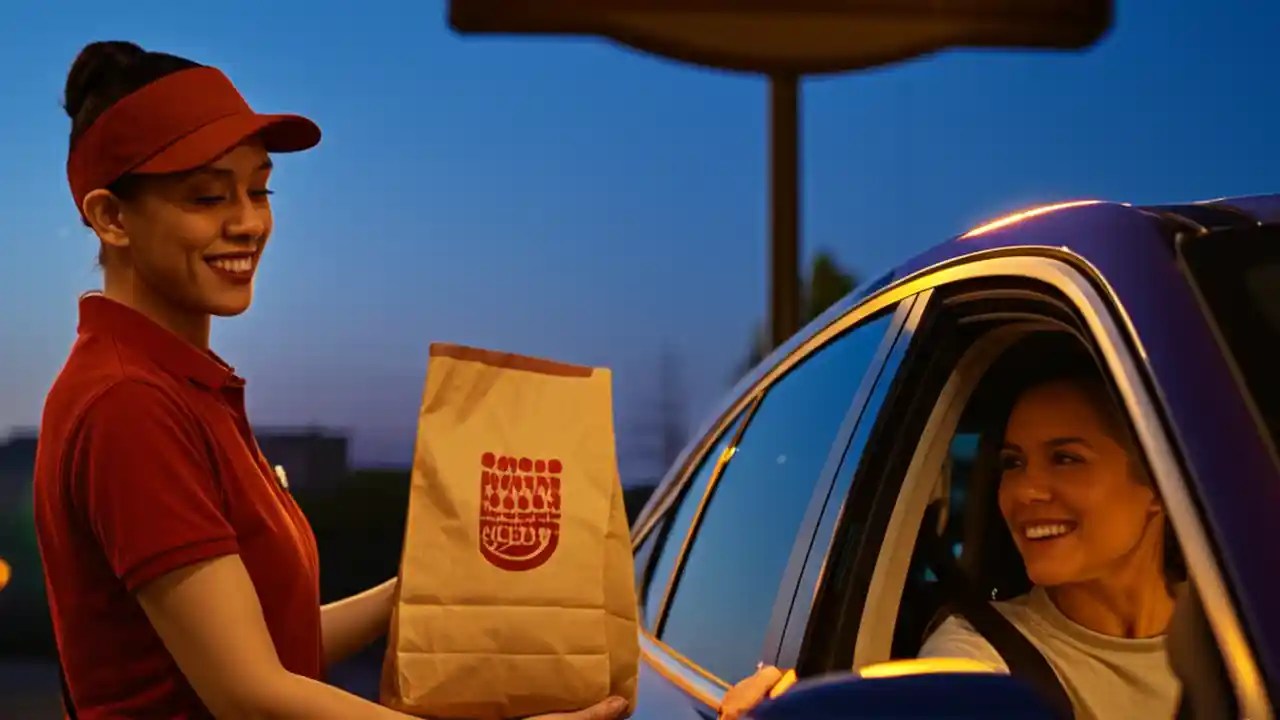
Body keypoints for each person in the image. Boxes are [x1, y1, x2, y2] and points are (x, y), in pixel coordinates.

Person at [32, 40, 628, 720]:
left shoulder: (173, 387)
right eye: (207, 196)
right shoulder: (129, 403)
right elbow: (249, 692)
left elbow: (269, 650)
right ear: (111, 218)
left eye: (259, 189)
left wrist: (425, 591)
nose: (249, 222)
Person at [719, 341, 1182, 720]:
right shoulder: (982, 657)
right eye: (1013, 463)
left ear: (1162, 484)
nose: (1024, 491)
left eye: (1066, 458)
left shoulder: (1237, 624)